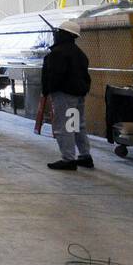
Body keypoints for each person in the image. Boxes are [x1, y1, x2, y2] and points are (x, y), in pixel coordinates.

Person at [41, 19, 93, 171]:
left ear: (63, 34)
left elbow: (54, 75)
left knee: (64, 127)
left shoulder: (58, 53)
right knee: (76, 125)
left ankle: (68, 159)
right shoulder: (79, 53)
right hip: (78, 95)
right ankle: (85, 156)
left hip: (64, 95)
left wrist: (47, 90)